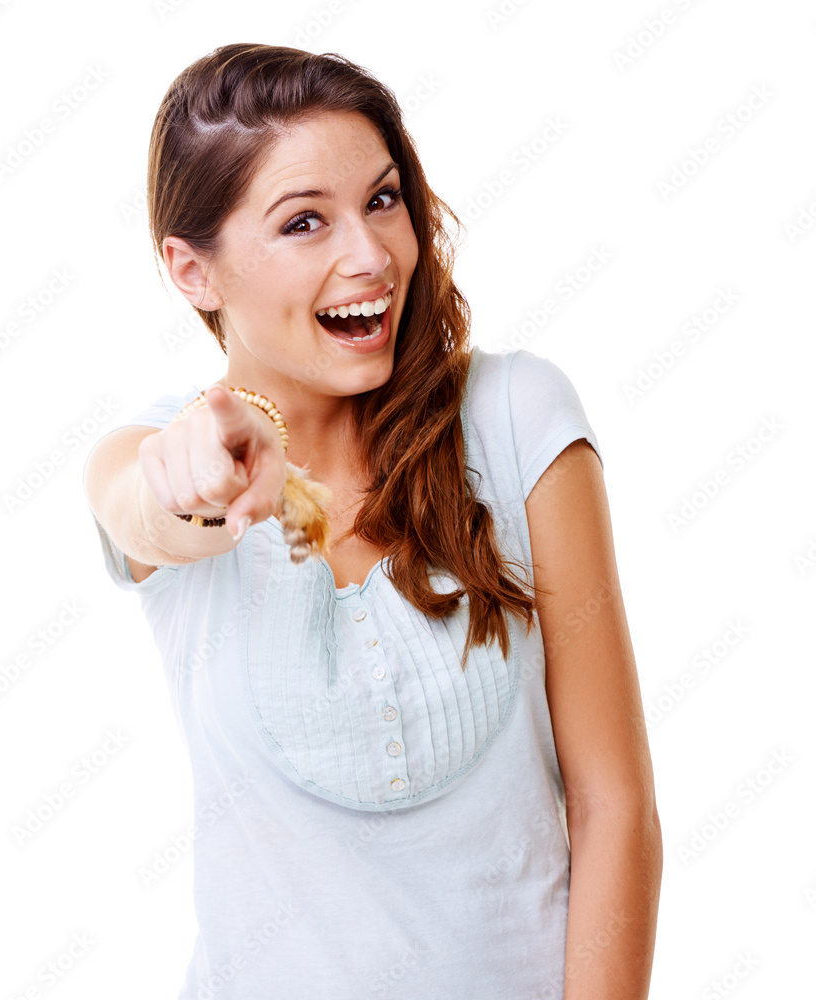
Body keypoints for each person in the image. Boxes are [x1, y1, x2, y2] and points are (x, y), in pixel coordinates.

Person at [83, 42, 662, 1000]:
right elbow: (141, 511)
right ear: (192, 271)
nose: (370, 256)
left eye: (383, 200)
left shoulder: (515, 418)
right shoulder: (165, 450)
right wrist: (199, 478)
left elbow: (614, 802)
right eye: (304, 221)